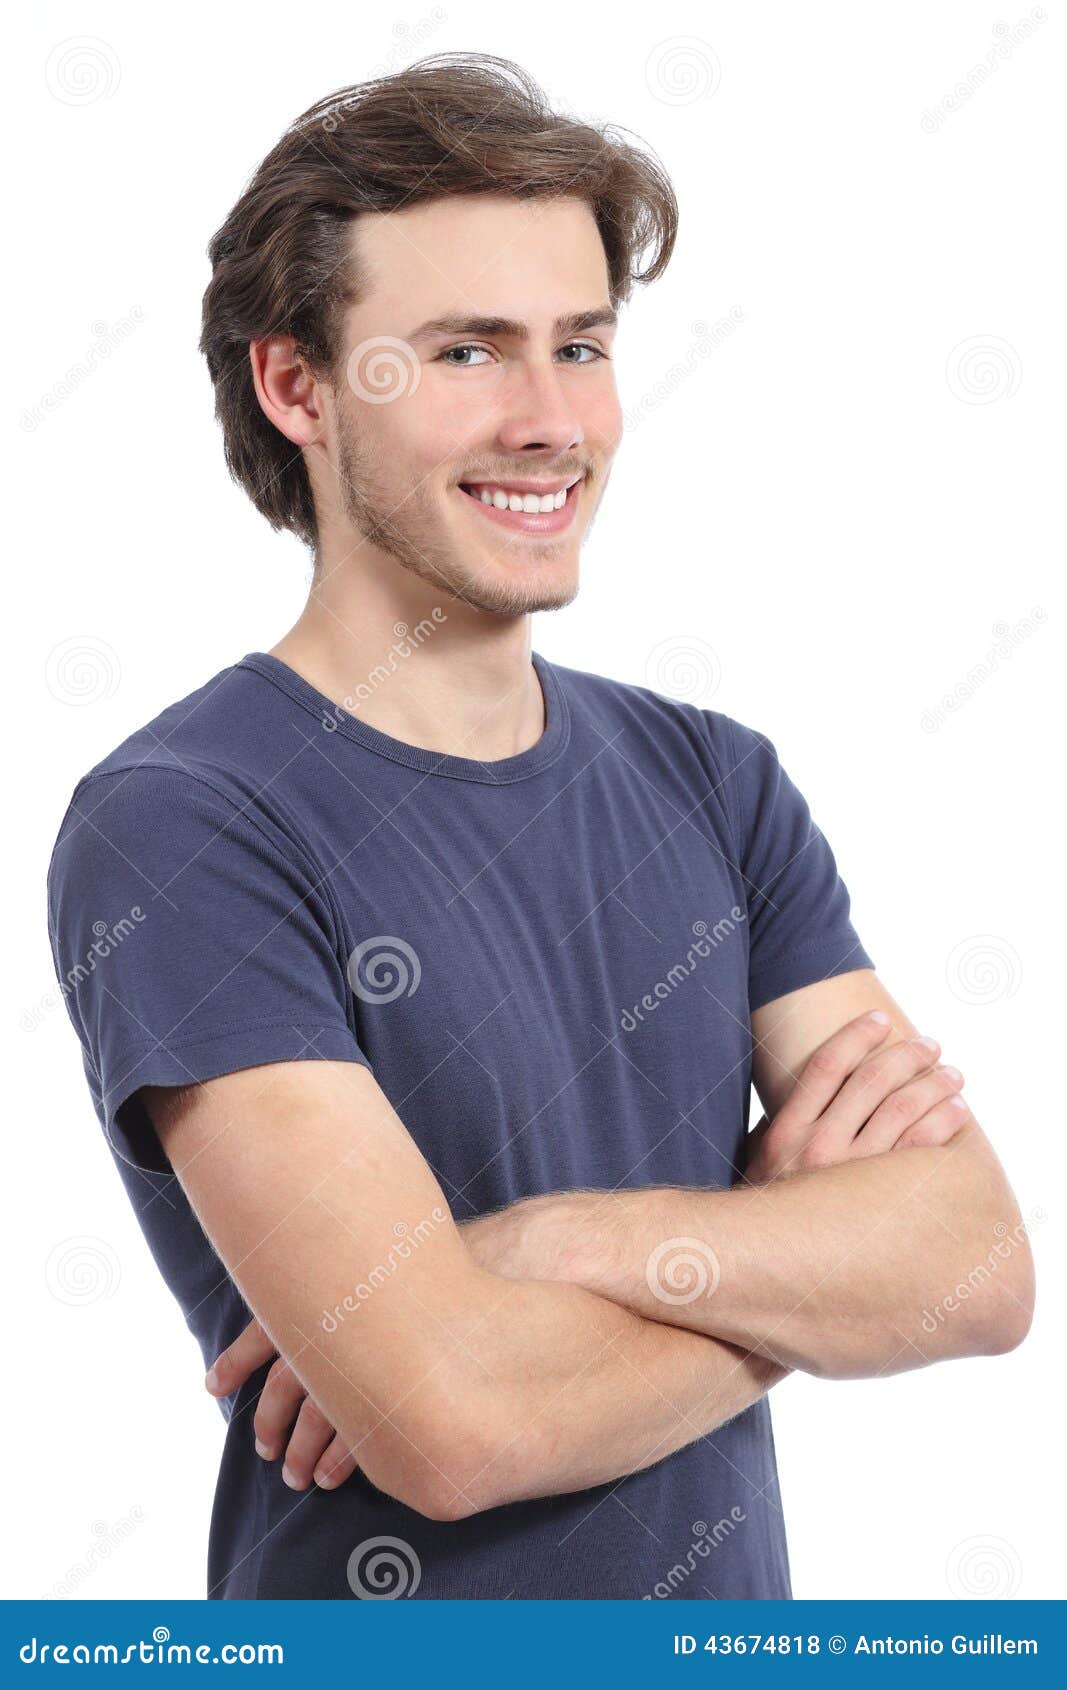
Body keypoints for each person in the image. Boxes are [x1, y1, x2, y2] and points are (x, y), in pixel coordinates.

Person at [46, 54, 1033, 1602]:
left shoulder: (716, 781)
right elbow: (456, 1424)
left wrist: (554, 1244)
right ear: (298, 387)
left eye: (580, 345)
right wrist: (798, 1254)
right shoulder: (186, 822)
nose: (551, 419)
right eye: (467, 351)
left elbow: (977, 1267)